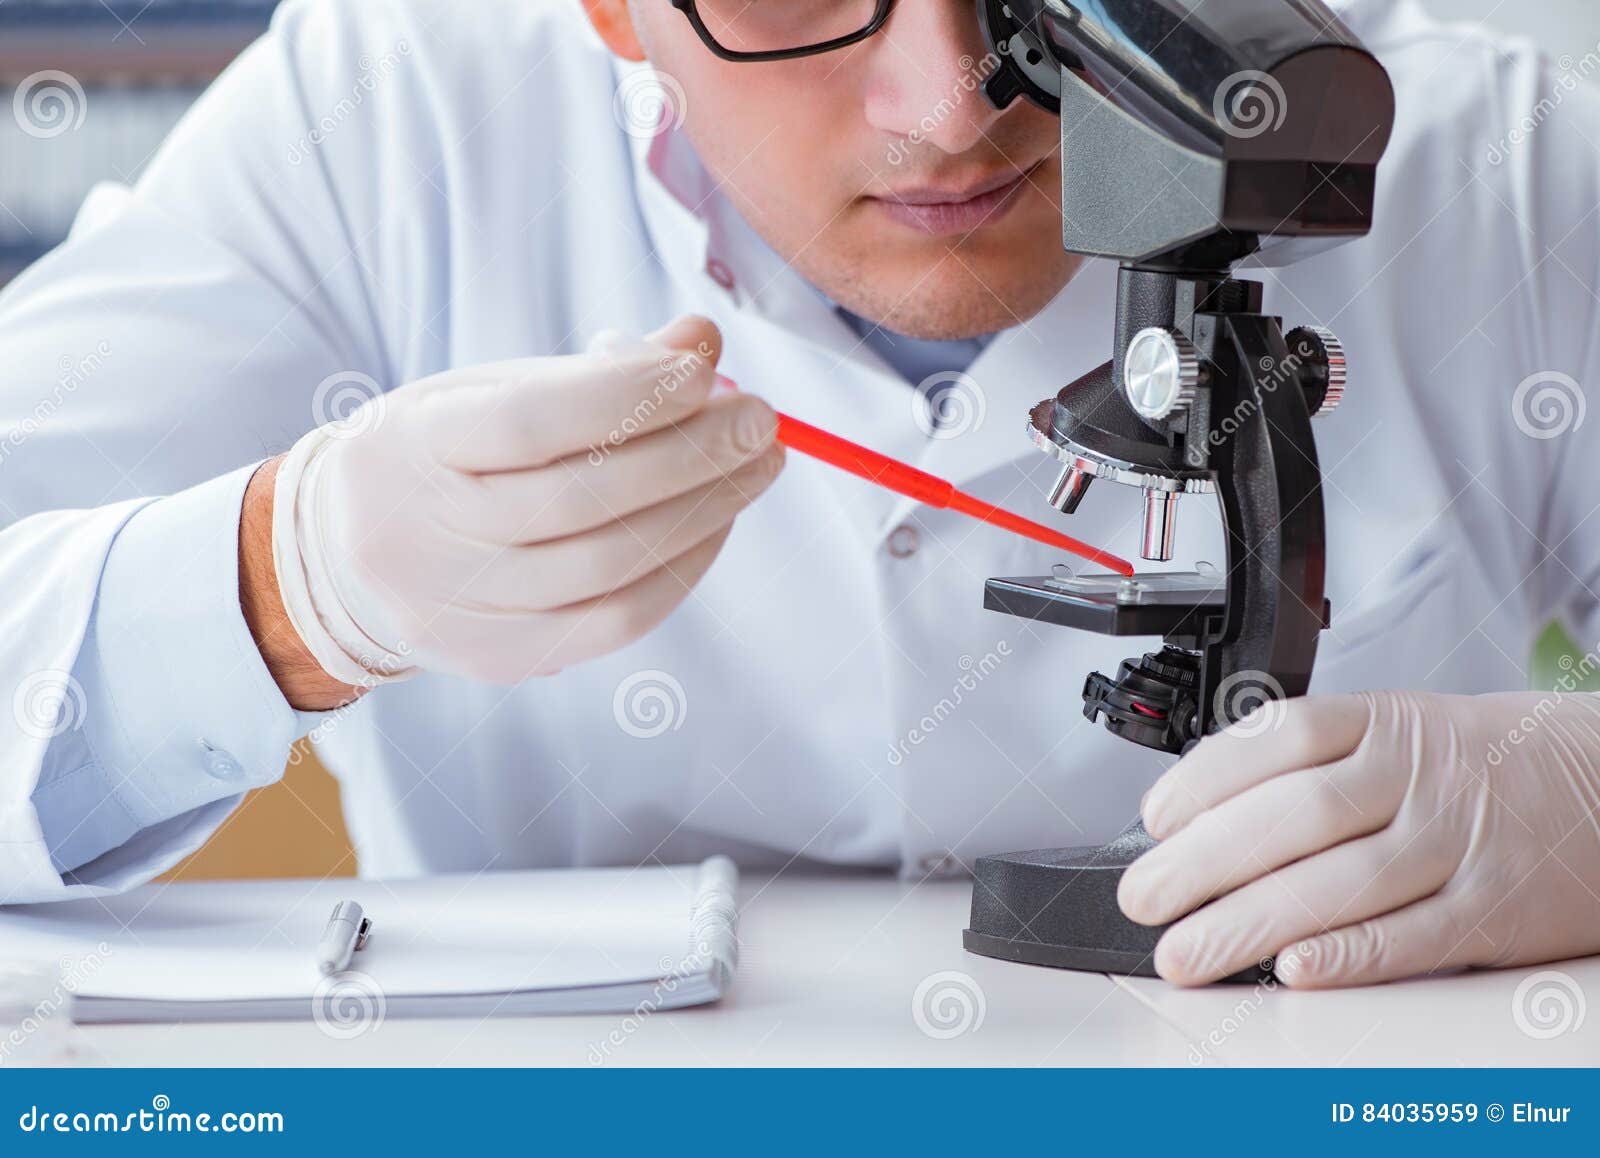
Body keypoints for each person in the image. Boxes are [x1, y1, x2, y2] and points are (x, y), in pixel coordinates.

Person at [1, 0, 1597, 989]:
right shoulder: (386, 119)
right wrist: (285, 585)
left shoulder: (1494, 159)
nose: (946, 101)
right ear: (615, 10)